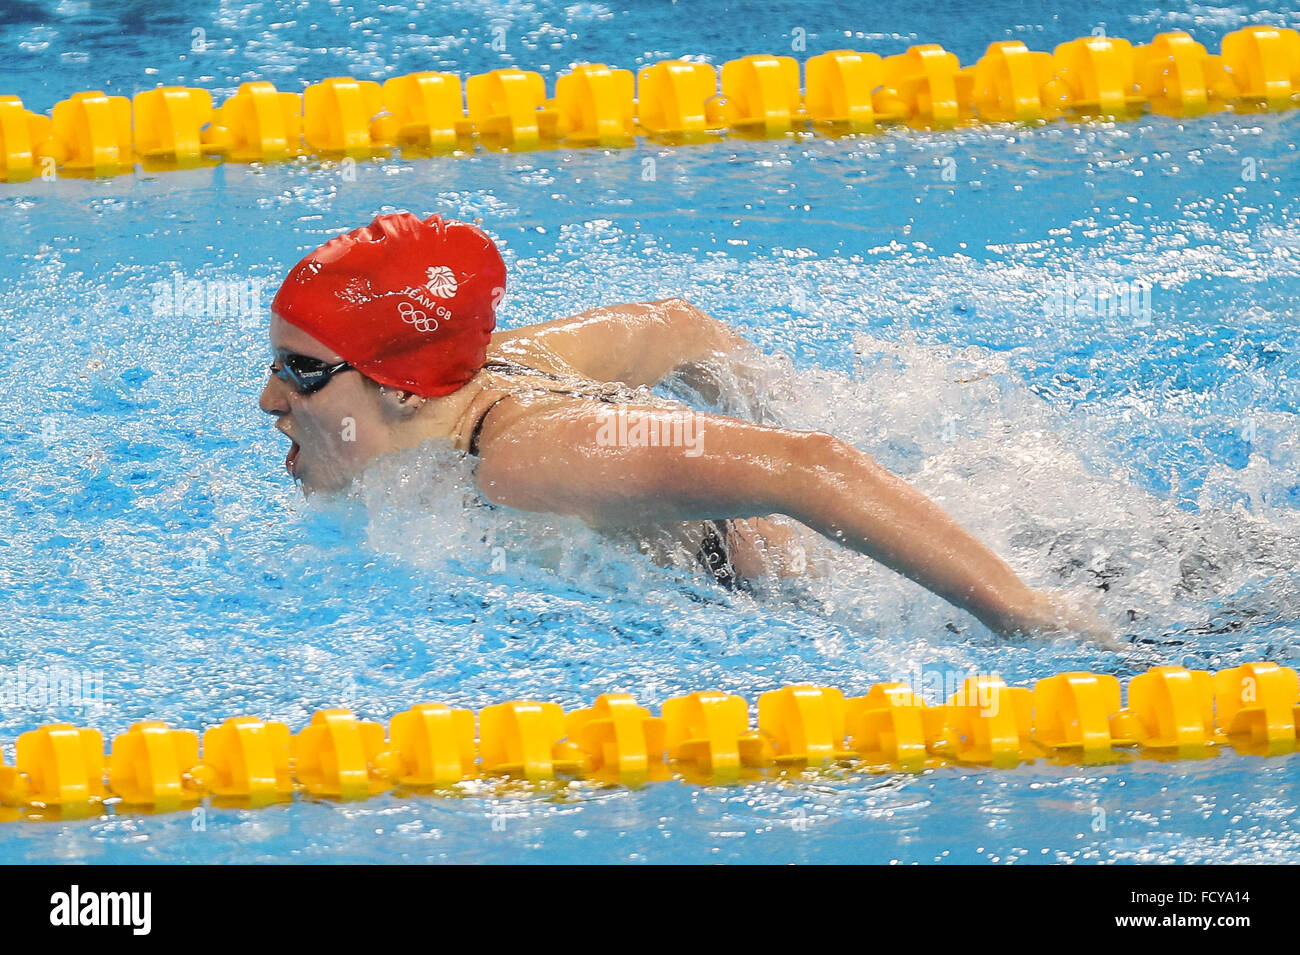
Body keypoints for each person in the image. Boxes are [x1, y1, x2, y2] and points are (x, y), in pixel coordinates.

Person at [260, 211, 1113, 642]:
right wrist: (781, 405)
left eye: (301, 371)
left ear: (404, 389)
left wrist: (1025, 612)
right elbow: (676, 325)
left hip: (904, 595)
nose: (270, 399)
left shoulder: (526, 461)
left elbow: (809, 466)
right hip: (968, 527)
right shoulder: (493, 367)